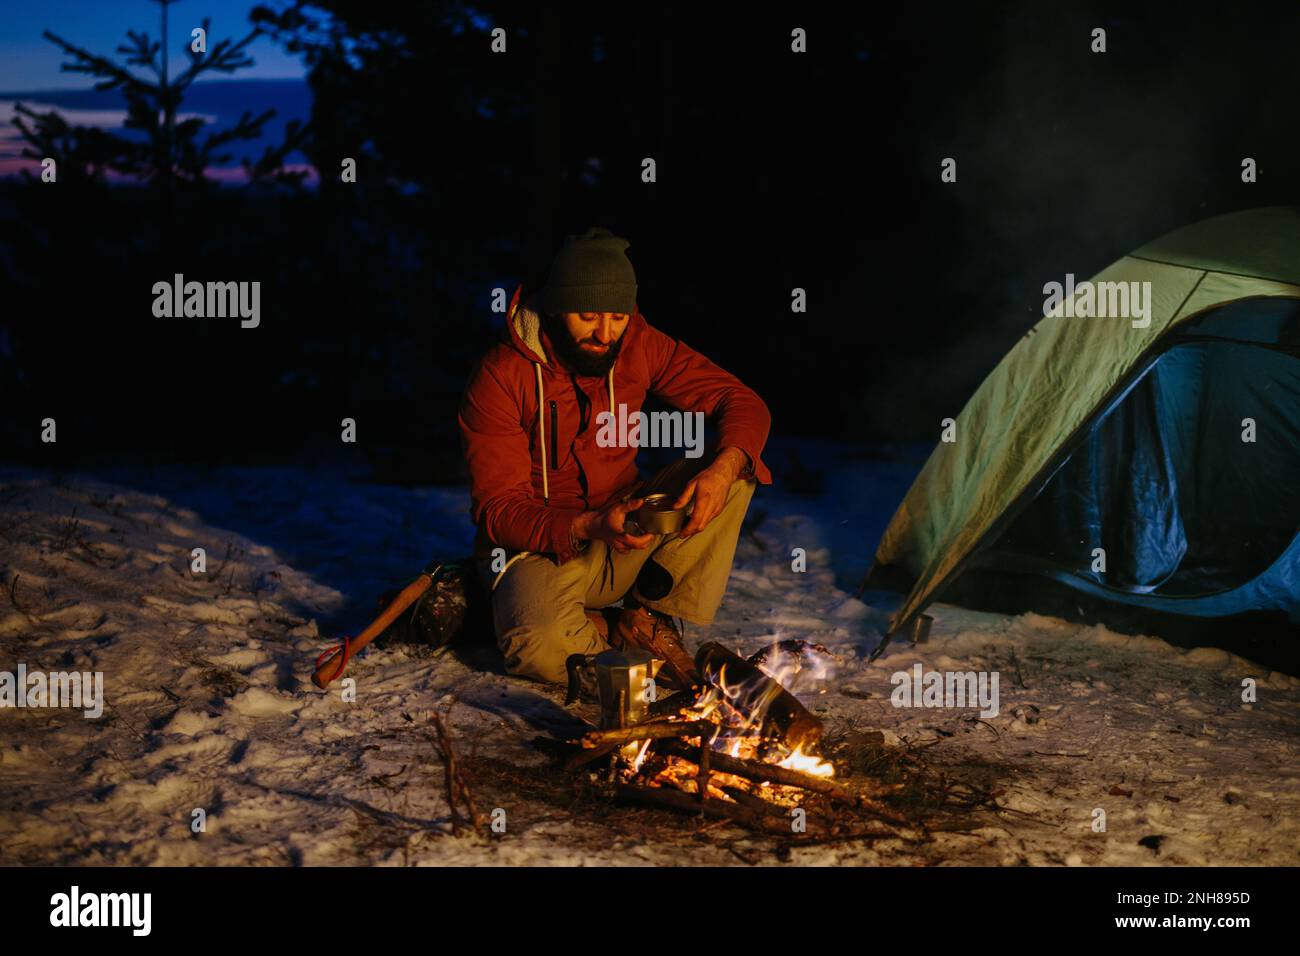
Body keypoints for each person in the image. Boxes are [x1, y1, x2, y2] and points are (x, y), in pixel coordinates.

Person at [457, 226, 771, 688]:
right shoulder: (501, 377)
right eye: (587, 316)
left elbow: (741, 402)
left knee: (734, 465)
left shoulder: (637, 343)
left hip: (625, 538)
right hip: (539, 549)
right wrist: (585, 525)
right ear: (555, 307)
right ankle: (604, 632)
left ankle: (648, 618)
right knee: (539, 650)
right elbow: (498, 510)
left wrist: (722, 470)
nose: (605, 334)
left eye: (617, 318)